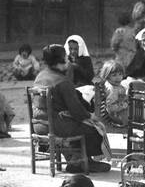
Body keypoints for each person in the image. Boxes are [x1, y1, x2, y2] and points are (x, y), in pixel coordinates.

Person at [32, 44, 110, 173]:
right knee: (94, 127)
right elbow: (77, 111)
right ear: (61, 61)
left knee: (80, 124)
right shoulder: (62, 81)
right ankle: (83, 162)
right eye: (66, 58)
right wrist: (91, 116)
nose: (68, 60)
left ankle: (75, 159)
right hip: (57, 126)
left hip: (39, 125)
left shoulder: (41, 76)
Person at [96, 60, 129, 127]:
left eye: (120, 74)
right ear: (107, 76)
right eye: (114, 75)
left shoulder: (116, 86)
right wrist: (123, 105)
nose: (118, 77)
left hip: (117, 112)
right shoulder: (112, 89)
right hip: (114, 115)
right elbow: (111, 107)